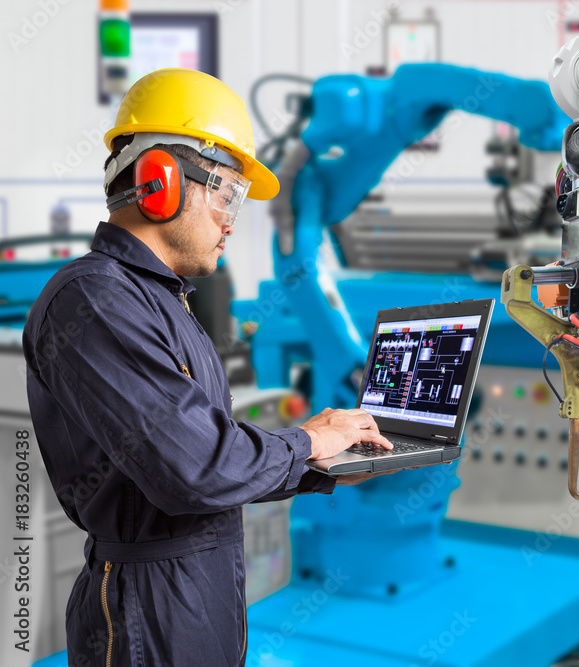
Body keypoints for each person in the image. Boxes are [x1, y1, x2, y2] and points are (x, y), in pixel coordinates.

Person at [22, 68, 396, 666]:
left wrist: (322, 467)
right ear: (159, 180)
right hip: (148, 610)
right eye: (226, 192)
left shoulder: (160, 299)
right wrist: (305, 442)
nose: (232, 219)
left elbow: (206, 454)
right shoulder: (94, 300)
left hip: (198, 590)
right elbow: (195, 469)